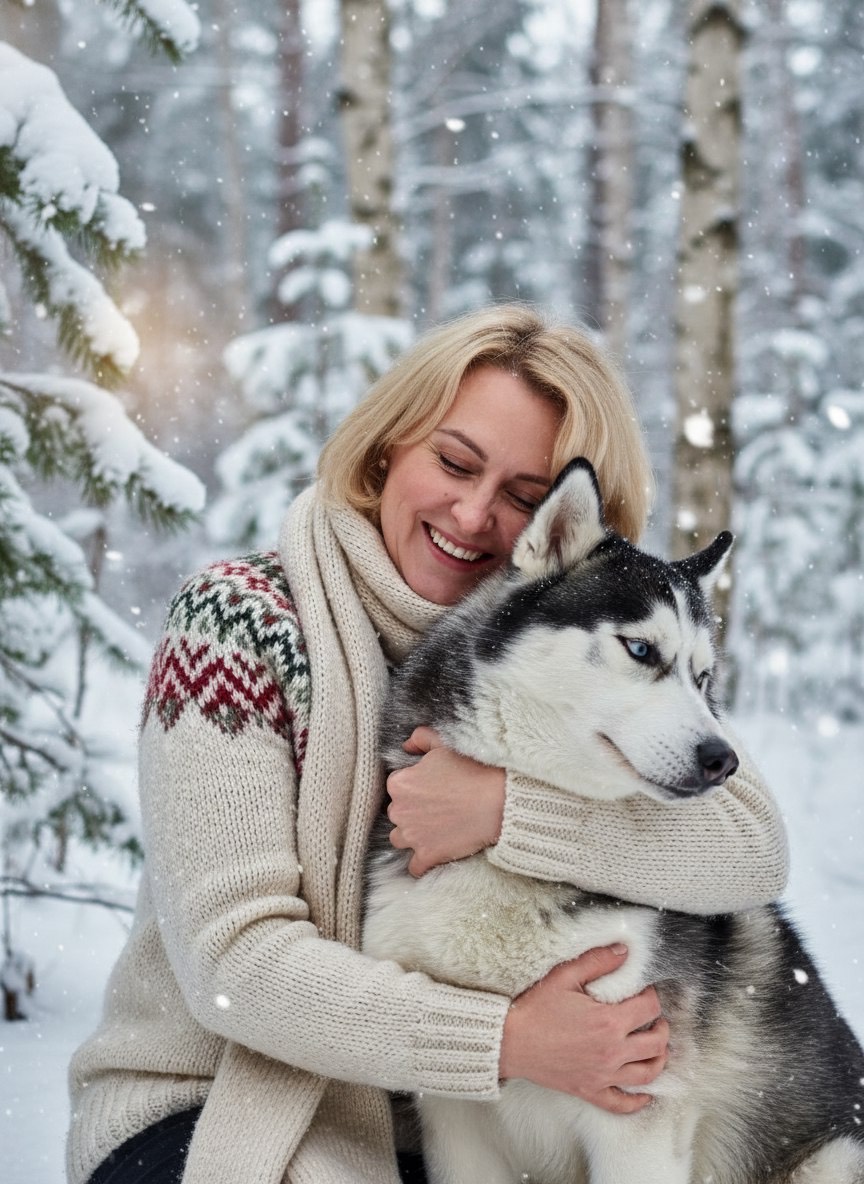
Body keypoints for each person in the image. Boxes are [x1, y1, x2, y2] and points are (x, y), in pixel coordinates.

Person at [67, 305, 788, 1184]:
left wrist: (505, 814)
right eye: (454, 462)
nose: (476, 513)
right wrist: (507, 1041)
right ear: (386, 449)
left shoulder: (578, 655)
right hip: (217, 1108)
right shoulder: (242, 622)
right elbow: (238, 964)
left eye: (525, 495)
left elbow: (751, 849)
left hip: (464, 1139)